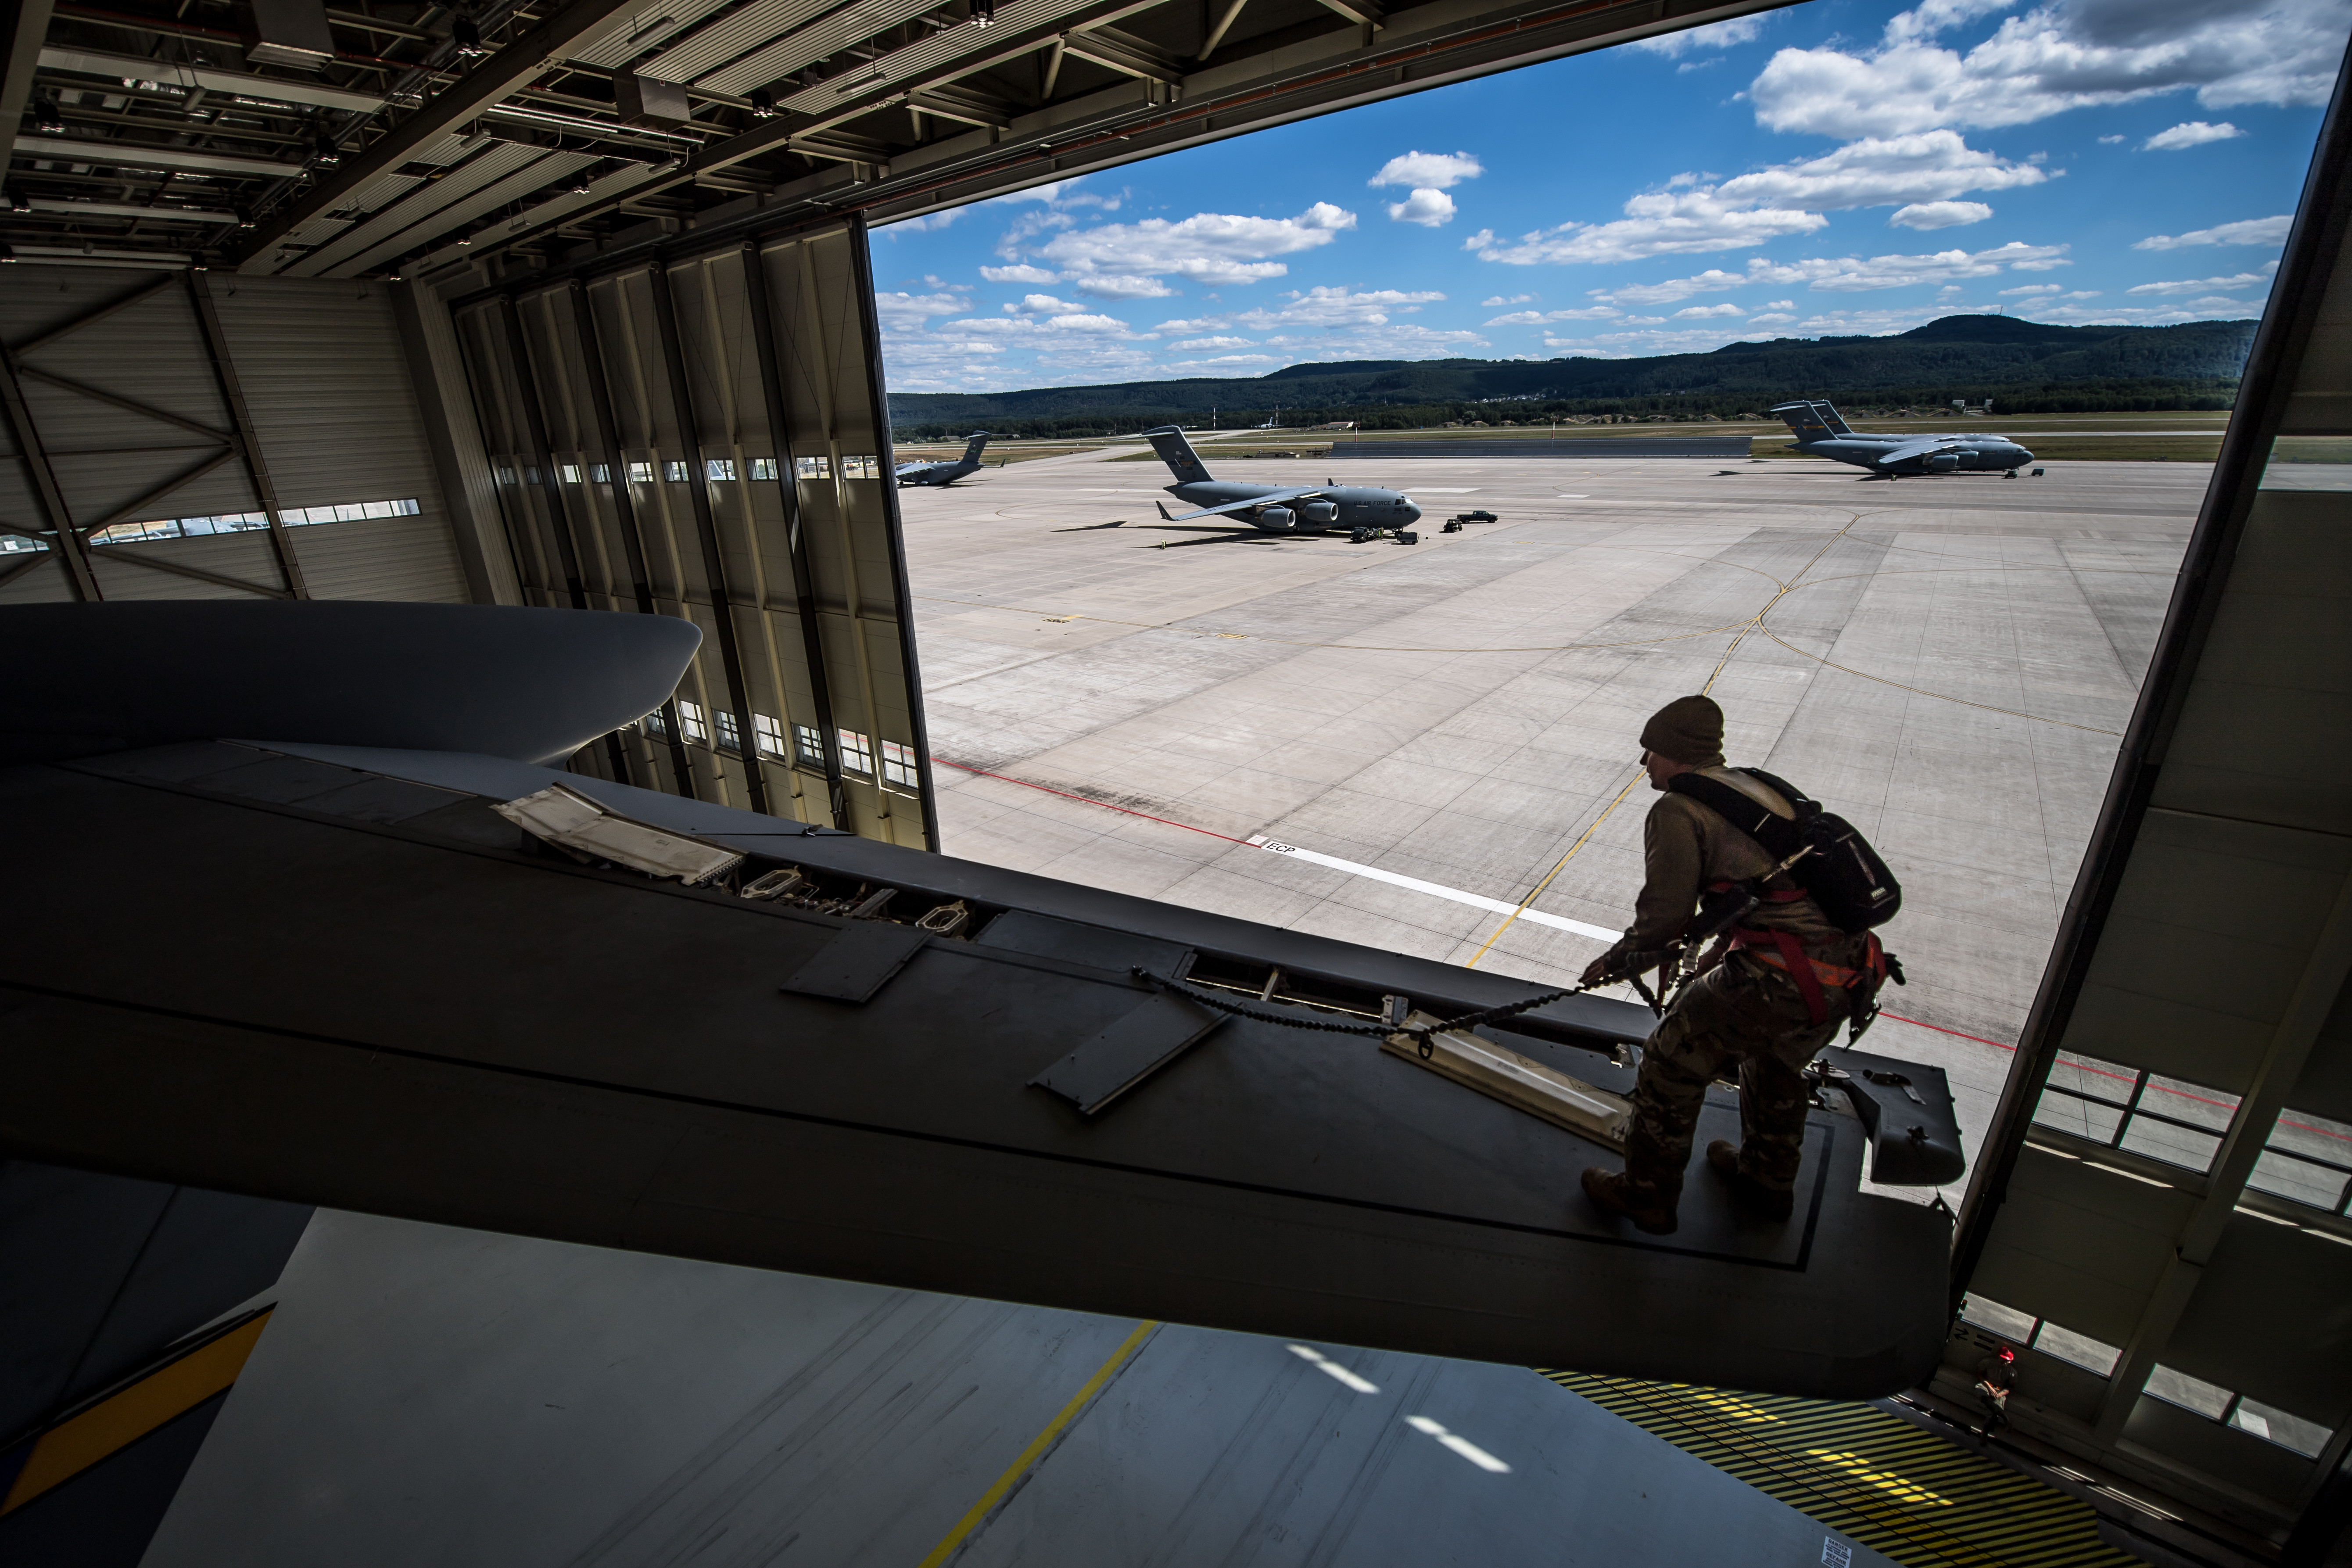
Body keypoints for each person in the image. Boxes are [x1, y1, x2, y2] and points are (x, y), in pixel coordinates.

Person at [1578, 694, 1879, 1236]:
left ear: (1674, 755)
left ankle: (1646, 1196)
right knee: (1774, 1064)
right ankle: (1766, 1184)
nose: (1644, 763)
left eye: (1650, 752)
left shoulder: (1677, 808)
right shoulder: (1750, 785)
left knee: (1670, 1060)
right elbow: (1765, 895)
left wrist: (1618, 961)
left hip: (1783, 977)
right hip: (1846, 970)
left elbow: (1664, 917)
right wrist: (1719, 955)